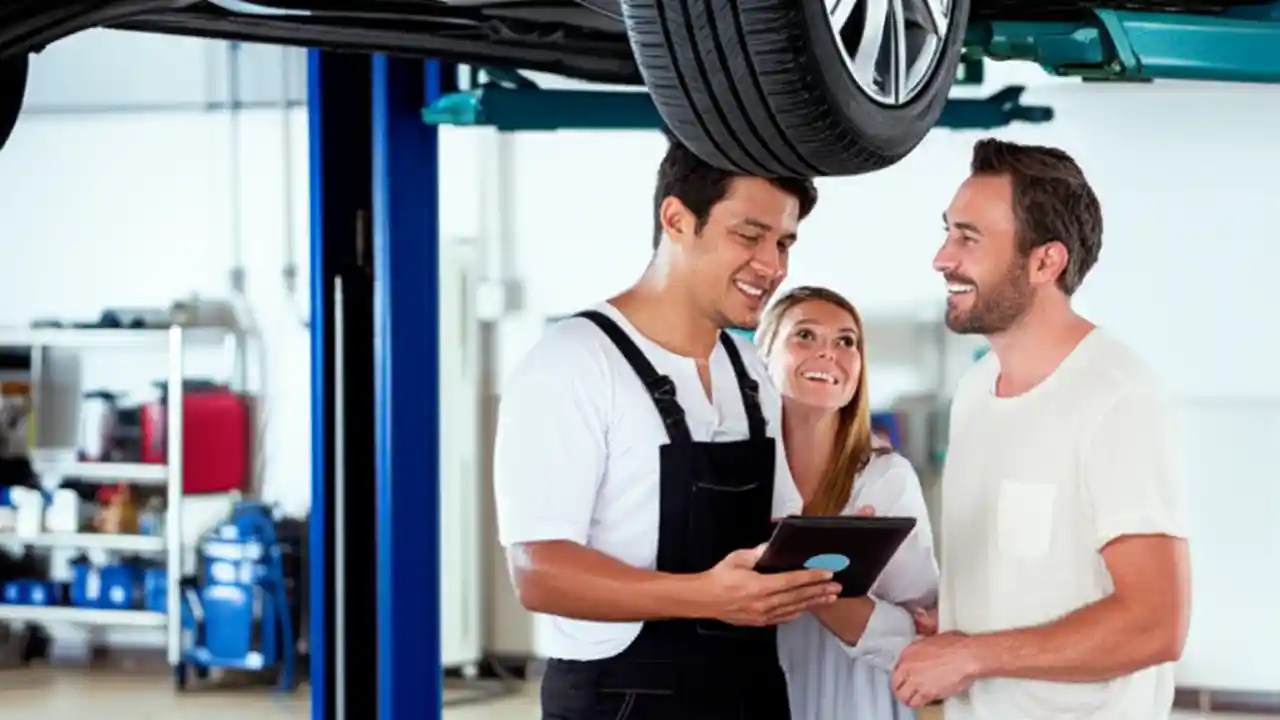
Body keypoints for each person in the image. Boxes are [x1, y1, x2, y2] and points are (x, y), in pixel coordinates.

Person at [492, 138, 841, 719]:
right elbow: (539, 571)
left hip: (749, 691)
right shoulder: (574, 362)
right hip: (623, 700)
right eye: (749, 236)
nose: (773, 267)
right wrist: (705, 596)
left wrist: (829, 551)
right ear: (677, 219)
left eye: (784, 243)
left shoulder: (748, 369)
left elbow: (774, 524)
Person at [891, 138, 1192, 719]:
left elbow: (1155, 623)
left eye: (969, 238)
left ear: (1045, 262)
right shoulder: (977, 394)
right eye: (948, 232)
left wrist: (973, 653)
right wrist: (955, 621)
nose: (942, 258)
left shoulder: (1117, 396)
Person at [755, 286, 940, 720]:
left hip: (855, 704)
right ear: (762, 355)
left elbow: (920, 638)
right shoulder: (729, 476)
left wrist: (810, 585)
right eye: (805, 335)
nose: (828, 353)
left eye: (846, 341)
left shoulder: (886, 480)